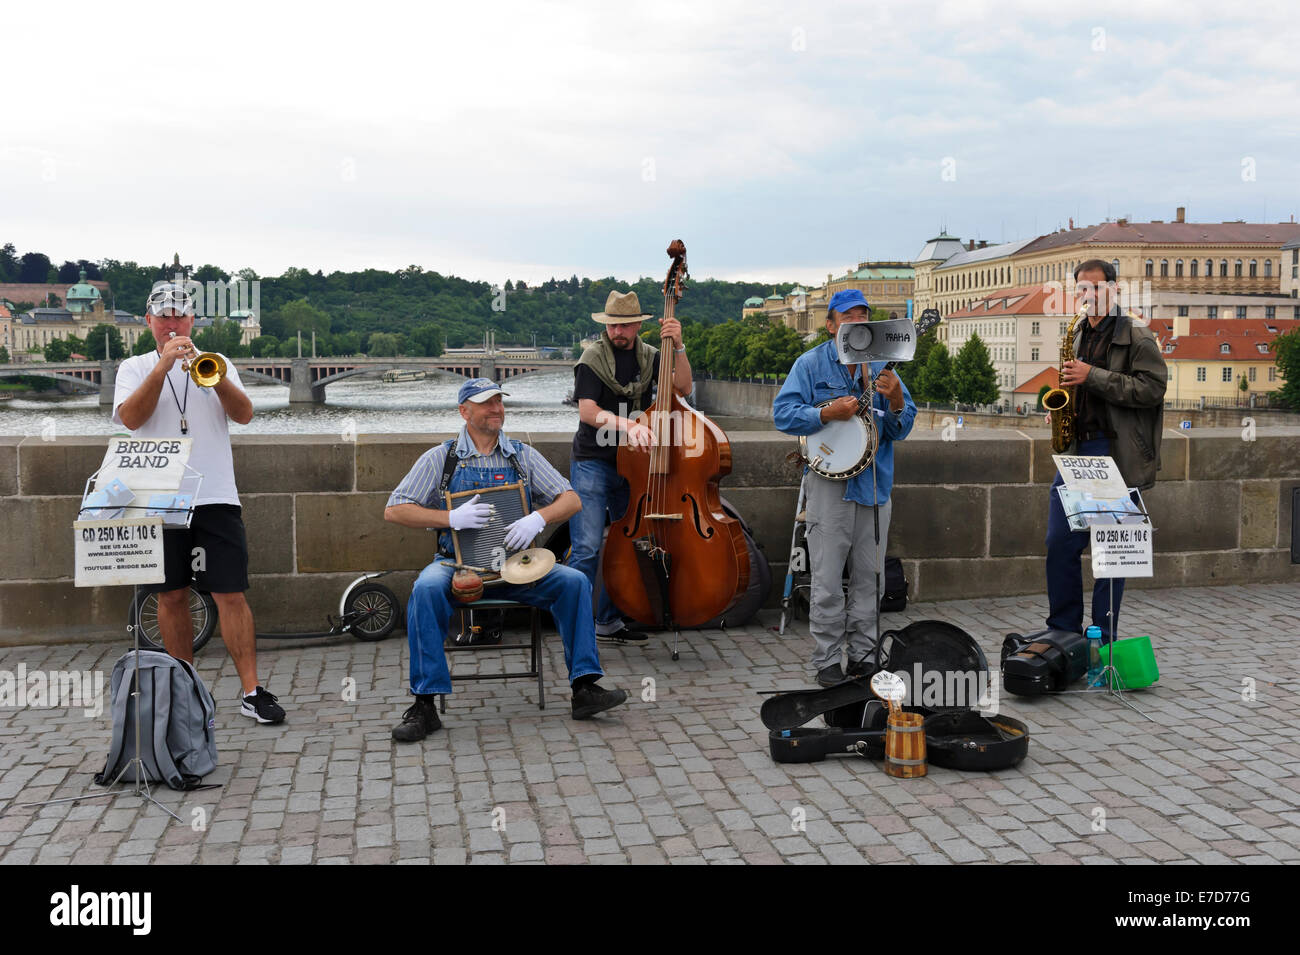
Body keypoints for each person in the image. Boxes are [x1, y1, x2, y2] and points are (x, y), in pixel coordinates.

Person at [384, 378, 628, 741]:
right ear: (464, 411)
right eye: (487, 403)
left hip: (520, 566)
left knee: (574, 582)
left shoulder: (521, 455)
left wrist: (539, 517)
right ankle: (424, 704)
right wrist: (449, 519)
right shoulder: (442, 459)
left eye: (499, 401)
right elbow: (395, 510)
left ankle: (585, 687)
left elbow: (572, 499)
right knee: (425, 589)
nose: (497, 408)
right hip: (459, 567)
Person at [112, 282, 285, 724]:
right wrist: (163, 368)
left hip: (215, 495)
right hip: (159, 497)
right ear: (148, 322)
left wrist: (213, 375)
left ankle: (252, 690)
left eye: (181, 317)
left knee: (231, 592)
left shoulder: (218, 363)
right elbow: (132, 419)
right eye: (164, 317)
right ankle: (185, 687)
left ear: (192, 322)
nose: (173, 324)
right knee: (171, 596)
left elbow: (244, 414)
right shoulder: (133, 367)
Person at [773, 289, 916, 687]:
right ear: (831, 324)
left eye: (862, 317)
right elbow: (782, 414)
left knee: (871, 579)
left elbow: (901, 429)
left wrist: (899, 401)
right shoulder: (810, 364)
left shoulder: (883, 366)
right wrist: (824, 413)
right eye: (847, 317)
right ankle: (827, 660)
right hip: (828, 487)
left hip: (873, 486)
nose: (855, 323)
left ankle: (865, 657)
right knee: (828, 578)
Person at [1045, 259, 1166, 638]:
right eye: (1082, 288)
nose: (1088, 295)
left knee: (1111, 554)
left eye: (1096, 288)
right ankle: (1063, 629)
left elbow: (1152, 389)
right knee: (1059, 544)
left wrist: (1091, 375)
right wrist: (1063, 405)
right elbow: (1074, 383)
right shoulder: (1078, 331)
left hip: (1112, 453)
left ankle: (1103, 636)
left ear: (1114, 289)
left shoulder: (1138, 336)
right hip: (1077, 451)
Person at [568, 289, 692, 645]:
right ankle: (576, 629)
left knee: (633, 543)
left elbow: (682, 388)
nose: (617, 331)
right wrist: (630, 426)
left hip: (635, 466)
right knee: (588, 547)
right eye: (612, 325)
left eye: (624, 325)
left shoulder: (652, 356)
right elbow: (588, 413)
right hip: (594, 461)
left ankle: (607, 620)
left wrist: (679, 346)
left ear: (638, 325)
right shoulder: (593, 357)